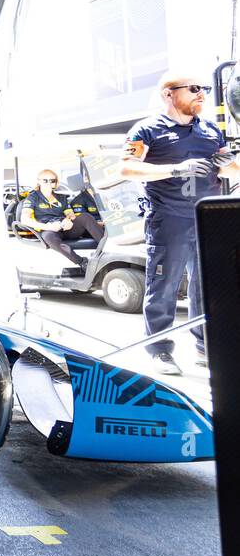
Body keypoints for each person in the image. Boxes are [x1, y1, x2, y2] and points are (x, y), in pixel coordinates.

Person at [121, 72, 240, 375]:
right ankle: (159, 351)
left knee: (208, 287)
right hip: (168, 218)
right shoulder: (147, 129)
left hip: (208, 219)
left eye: (205, 89)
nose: (202, 94)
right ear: (169, 94)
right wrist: (176, 169)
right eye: (195, 88)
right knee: (164, 288)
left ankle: (204, 347)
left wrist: (226, 164)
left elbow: (231, 169)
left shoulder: (210, 130)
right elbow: (127, 169)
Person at [19, 169, 105, 274]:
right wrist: (48, 227)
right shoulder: (32, 198)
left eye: (52, 180)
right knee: (49, 237)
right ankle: (82, 262)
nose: (49, 183)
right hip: (47, 229)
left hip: (64, 227)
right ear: (39, 181)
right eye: (45, 180)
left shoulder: (61, 197)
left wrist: (67, 221)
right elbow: (25, 219)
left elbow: (70, 214)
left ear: (56, 182)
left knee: (85, 217)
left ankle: (106, 250)